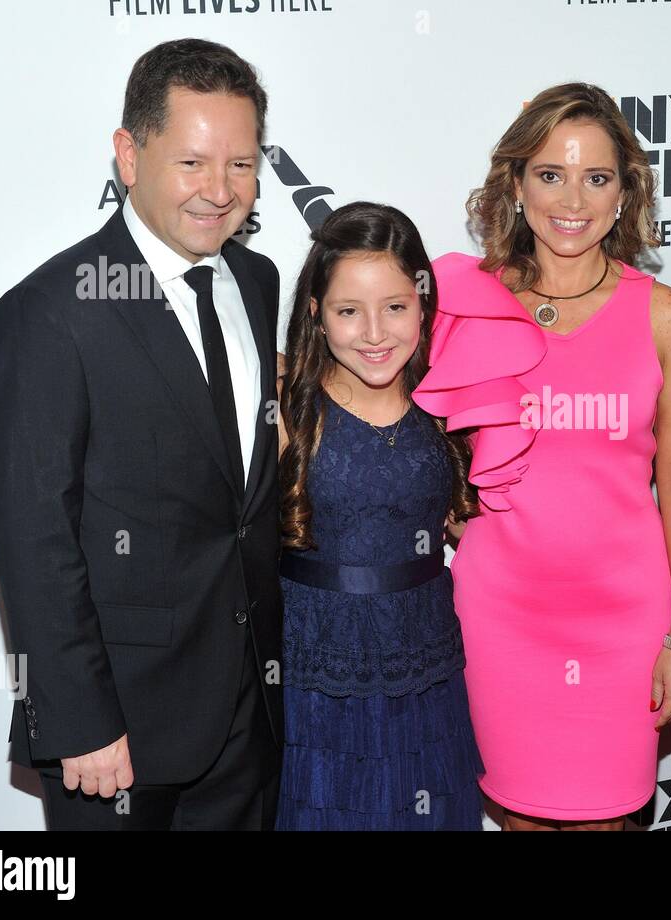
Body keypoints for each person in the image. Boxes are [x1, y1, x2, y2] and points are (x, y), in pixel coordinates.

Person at [0, 39, 284, 829]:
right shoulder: (48, 314)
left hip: (250, 715)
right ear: (128, 153)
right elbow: (32, 536)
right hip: (116, 735)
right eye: (192, 163)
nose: (221, 192)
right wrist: (80, 721)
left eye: (243, 165)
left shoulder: (256, 279)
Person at [411, 82, 671, 830]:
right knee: (519, 819)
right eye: (550, 174)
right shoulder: (466, 304)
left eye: (596, 177)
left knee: (610, 819)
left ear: (624, 193)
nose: (572, 198)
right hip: (500, 618)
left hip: (624, 624)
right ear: (516, 184)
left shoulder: (664, 315)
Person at [273, 202, 485, 830]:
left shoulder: (451, 403)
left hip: (427, 667)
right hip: (316, 670)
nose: (374, 333)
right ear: (315, 311)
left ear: (424, 303)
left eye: (395, 306)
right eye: (348, 311)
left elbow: (480, 532)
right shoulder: (283, 407)